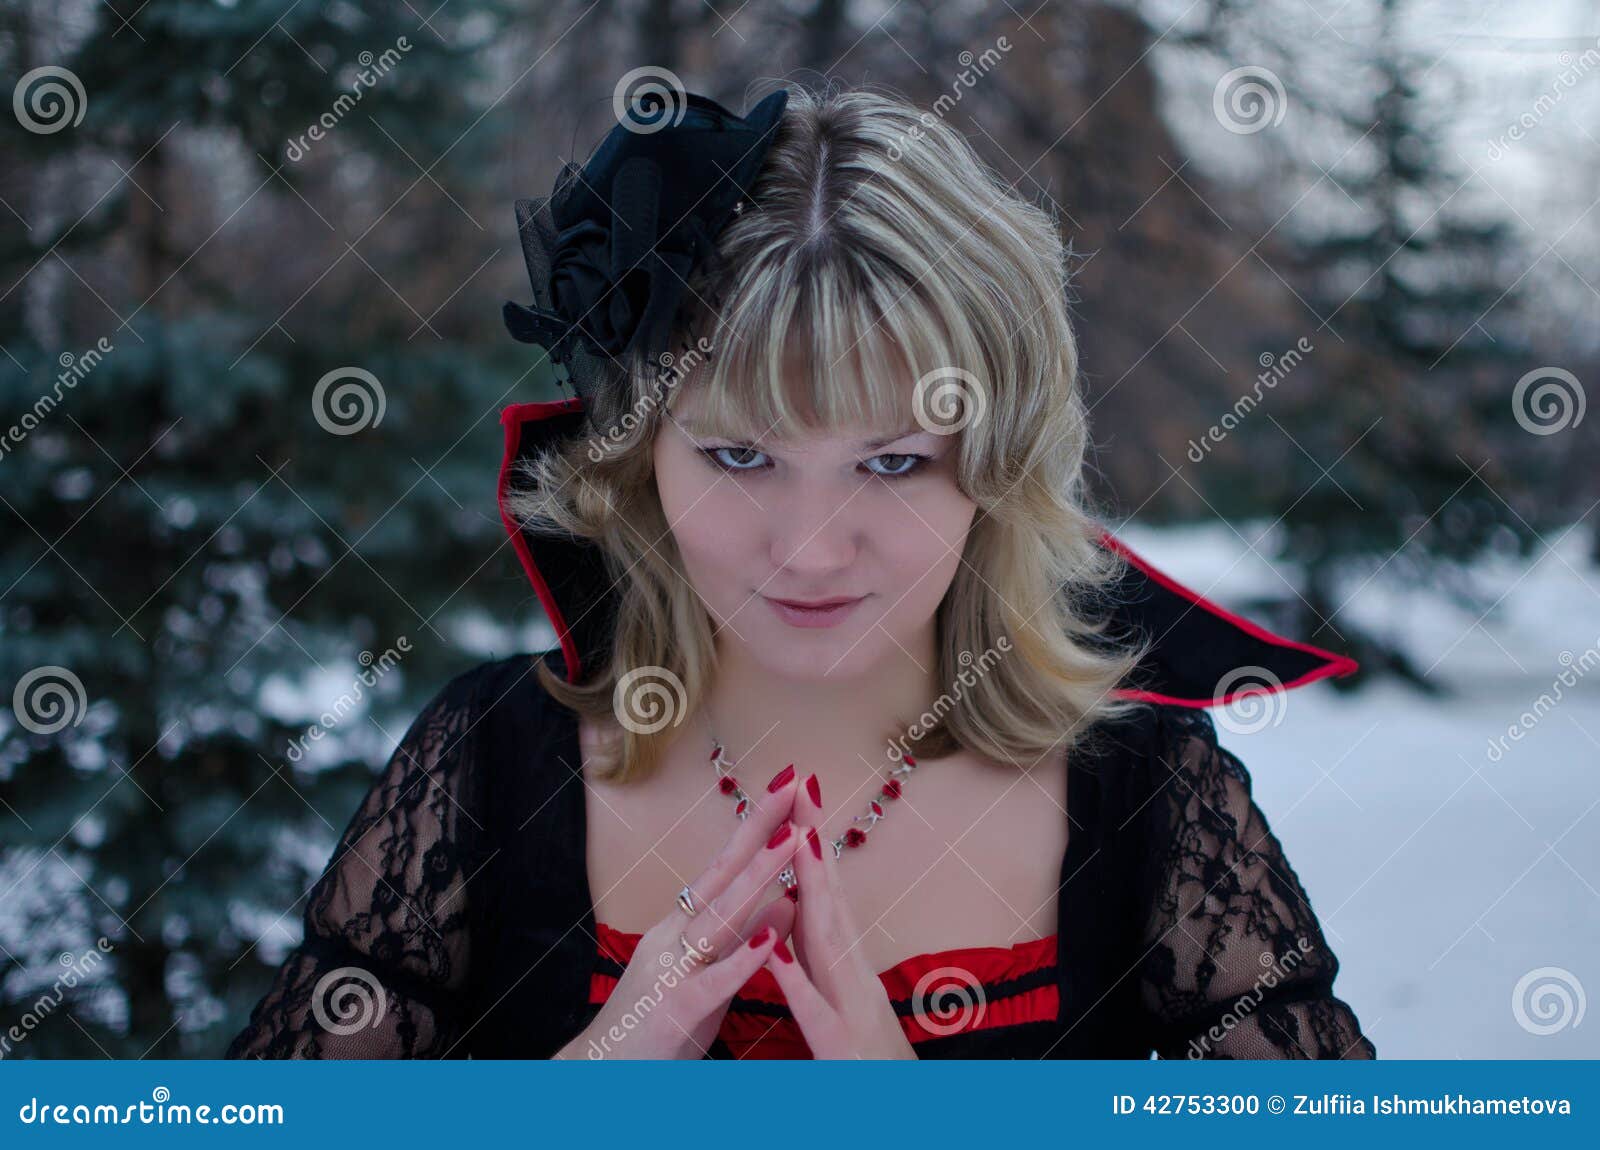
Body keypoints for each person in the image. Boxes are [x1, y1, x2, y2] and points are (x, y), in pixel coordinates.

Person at [225, 81, 1375, 1060]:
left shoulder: (1149, 798)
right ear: (636, 453)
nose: (811, 548)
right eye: (738, 453)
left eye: (891, 461)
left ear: (997, 464)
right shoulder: (482, 764)